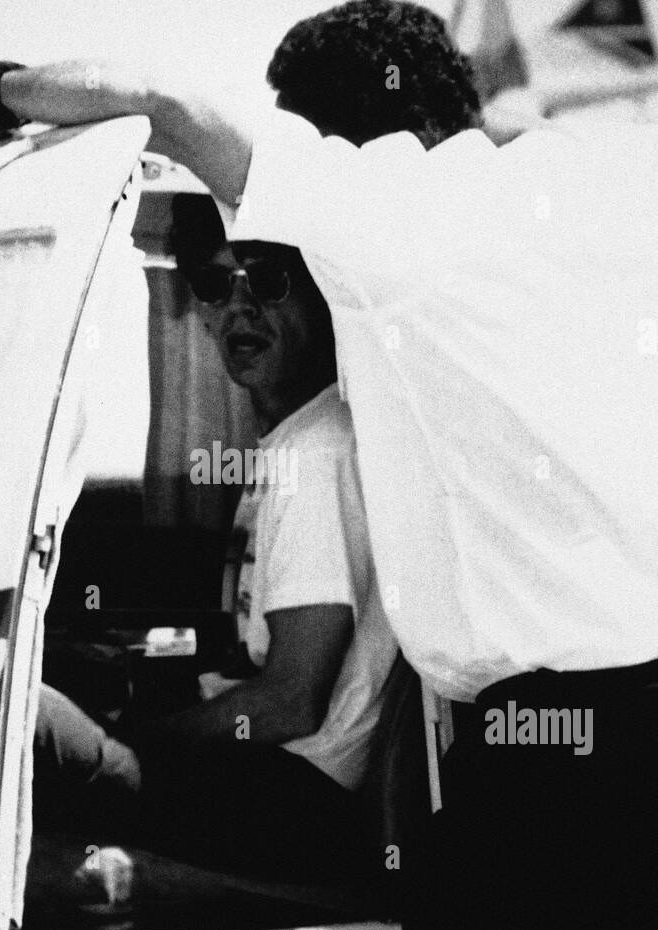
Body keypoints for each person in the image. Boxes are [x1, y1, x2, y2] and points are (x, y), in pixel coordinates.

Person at [0, 0, 658, 930]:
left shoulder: (400, 210)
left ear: (346, 136)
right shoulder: (573, 192)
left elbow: (160, 102)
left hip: (585, 760)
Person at [33, 194, 397, 884]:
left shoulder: (317, 458)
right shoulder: (297, 441)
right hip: (268, 781)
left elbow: (291, 699)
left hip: (294, 805)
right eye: (212, 283)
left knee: (30, 729)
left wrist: (141, 740)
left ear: (320, 295)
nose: (239, 308)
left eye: (266, 280)